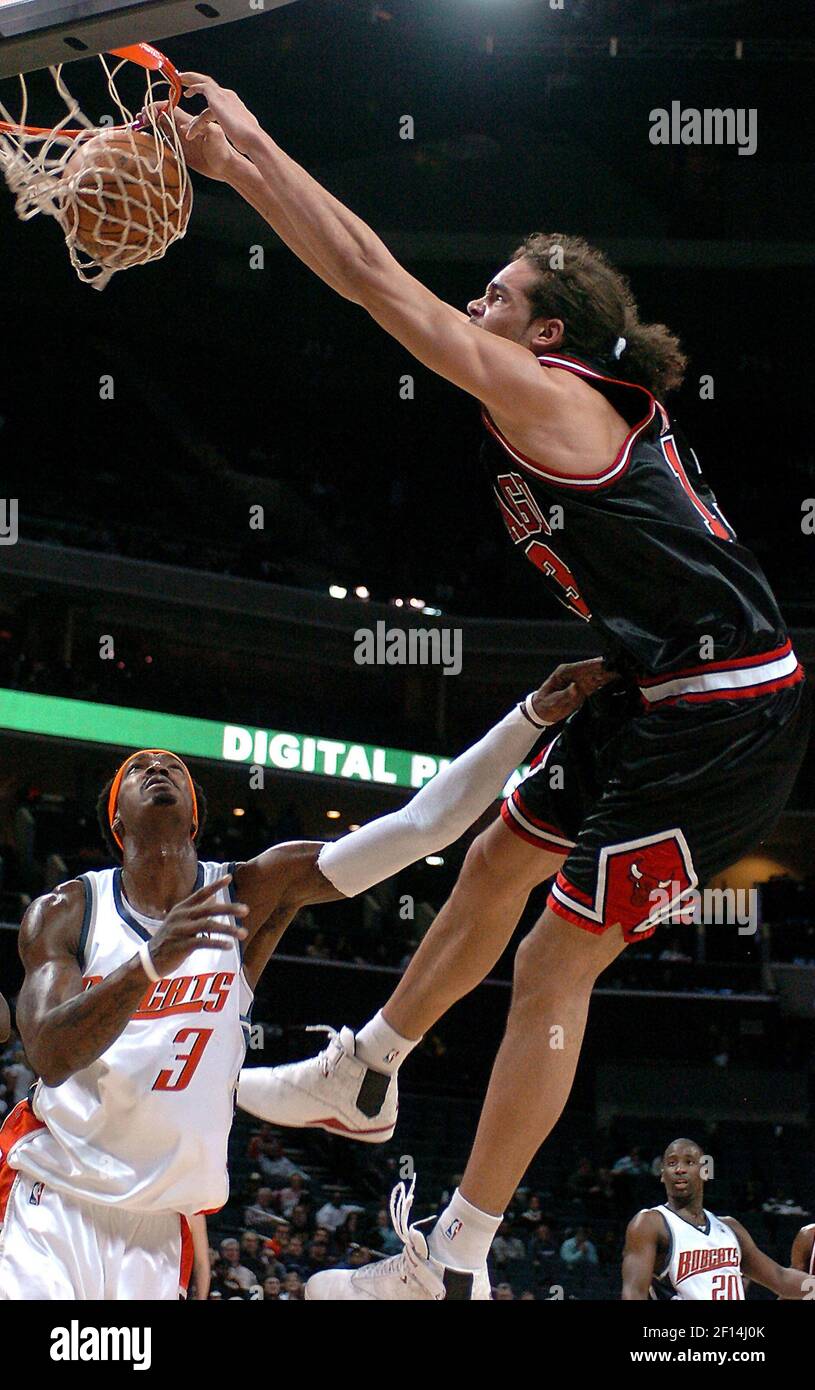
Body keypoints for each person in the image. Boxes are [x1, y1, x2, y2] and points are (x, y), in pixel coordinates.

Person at [172, 74, 811, 1302]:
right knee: (492, 861)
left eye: (499, 297)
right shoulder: (559, 395)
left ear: (546, 337)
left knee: (553, 962)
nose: (476, 303)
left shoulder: (546, 396)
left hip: (726, 717)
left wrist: (251, 148)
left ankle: (454, 1256)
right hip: (654, 682)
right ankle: (368, 1068)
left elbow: (372, 278)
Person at [0, 672, 596, 1300]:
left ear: (195, 815)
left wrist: (528, 717)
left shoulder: (254, 890)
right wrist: (151, 961)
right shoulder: (68, 910)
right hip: (53, 1198)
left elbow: (421, 825)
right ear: (116, 823)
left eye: (171, 766)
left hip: (159, 1228)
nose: (156, 767)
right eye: (139, 768)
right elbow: (49, 1053)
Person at [622, 1139, 813, 1300]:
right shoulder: (650, 1223)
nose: (679, 1169)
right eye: (671, 1163)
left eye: (689, 1162)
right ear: (663, 1175)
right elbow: (633, 1294)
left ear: (706, 1170)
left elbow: (780, 1278)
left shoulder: (731, 1228)